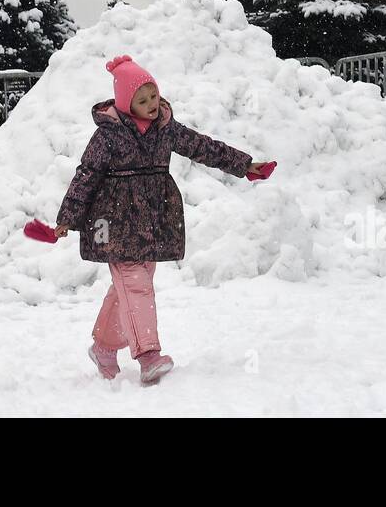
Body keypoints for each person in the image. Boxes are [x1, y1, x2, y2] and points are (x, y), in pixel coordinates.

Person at [55, 55, 269, 385]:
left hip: (150, 221)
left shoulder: (165, 130)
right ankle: (148, 356)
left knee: (127, 288)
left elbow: (203, 147)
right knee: (135, 285)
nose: (151, 104)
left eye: (153, 95)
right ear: (126, 104)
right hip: (113, 223)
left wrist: (244, 165)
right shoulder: (108, 136)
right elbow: (86, 175)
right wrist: (68, 217)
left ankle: (103, 347)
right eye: (142, 100)